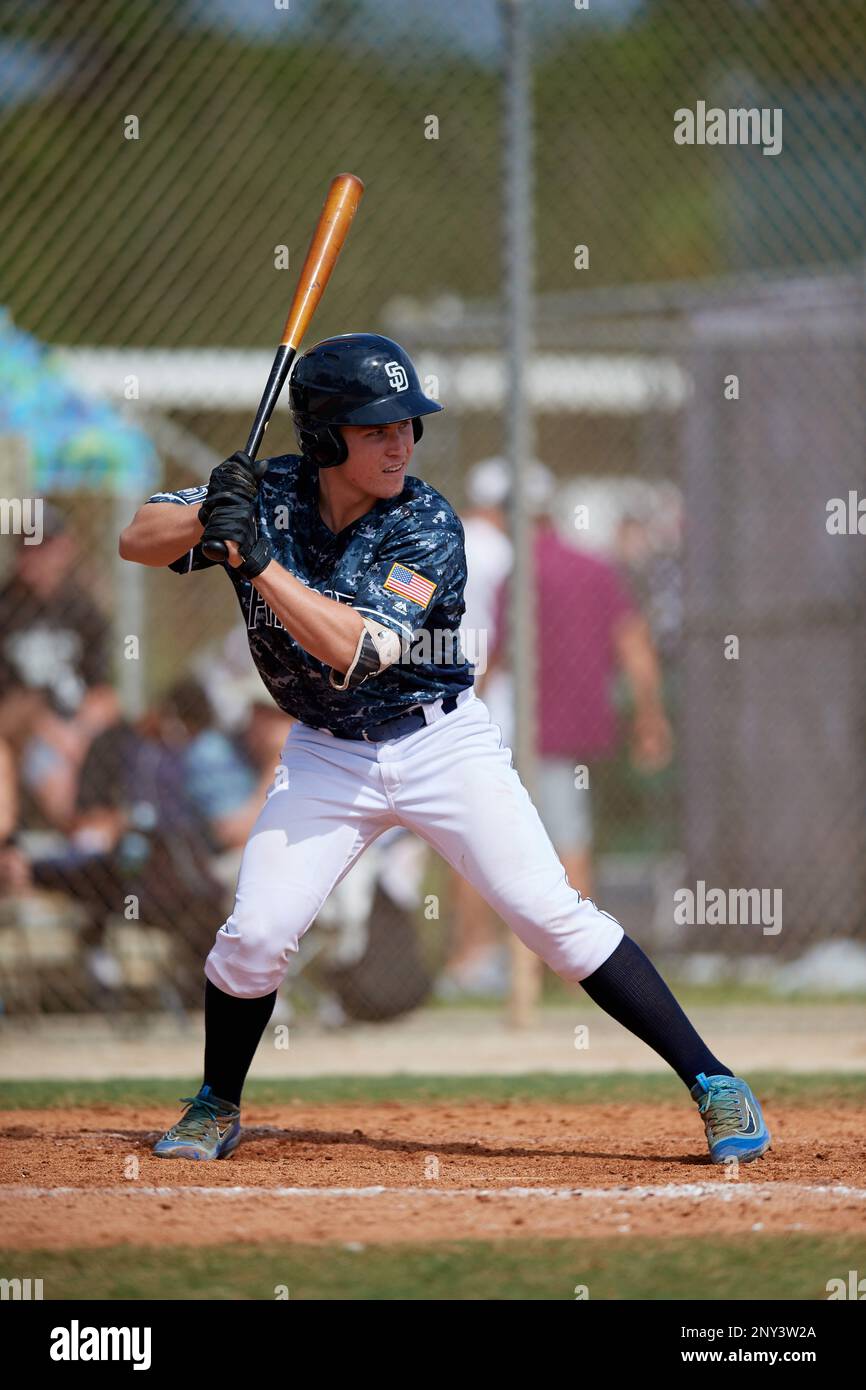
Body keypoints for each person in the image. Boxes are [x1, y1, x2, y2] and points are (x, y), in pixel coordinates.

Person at [118, 332, 770, 1166]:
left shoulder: (425, 523)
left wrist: (257, 559)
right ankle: (215, 1101)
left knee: (552, 918)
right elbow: (139, 538)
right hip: (326, 753)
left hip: (440, 742)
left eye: (408, 426)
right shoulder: (270, 490)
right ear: (322, 438)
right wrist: (208, 515)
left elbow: (352, 649)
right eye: (376, 428)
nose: (401, 443)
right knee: (255, 935)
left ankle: (713, 1082)